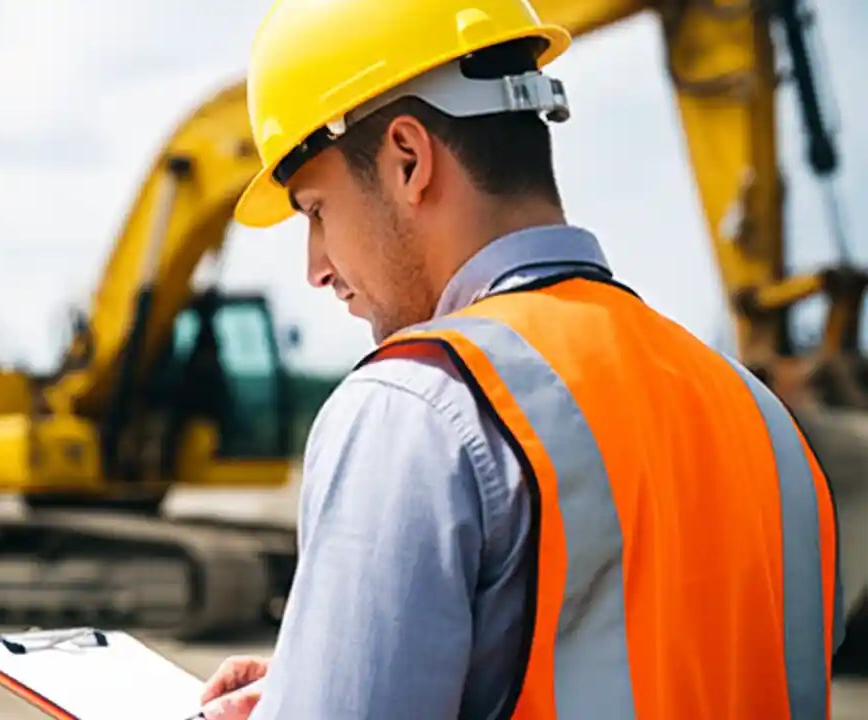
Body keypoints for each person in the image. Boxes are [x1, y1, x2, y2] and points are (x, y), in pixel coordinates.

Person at [199, 0, 846, 718]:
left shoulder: (418, 406)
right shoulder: (765, 423)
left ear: (408, 160)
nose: (316, 267)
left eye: (316, 210)